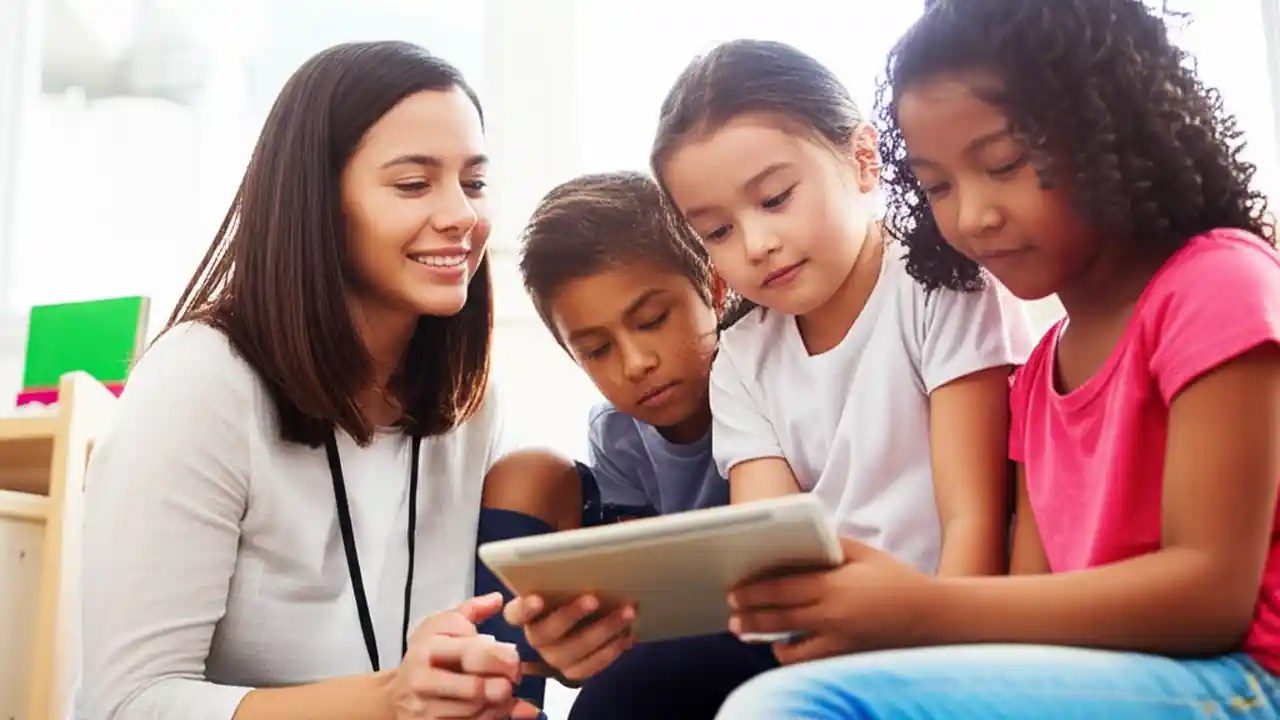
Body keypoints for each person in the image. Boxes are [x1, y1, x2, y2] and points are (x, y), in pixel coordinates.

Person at [716, 1, 1280, 716]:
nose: (972, 216)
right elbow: (1024, 614)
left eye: (1005, 164)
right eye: (938, 186)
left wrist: (923, 609)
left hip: (1244, 678)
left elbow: (1210, 598)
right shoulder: (1040, 374)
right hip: (1107, 680)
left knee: (791, 706)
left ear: (1110, 130)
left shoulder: (1217, 286)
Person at [77, 41, 564, 720]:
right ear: (319, 200)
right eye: (413, 184)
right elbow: (123, 703)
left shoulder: (466, 403)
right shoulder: (200, 383)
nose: (462, 215)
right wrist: (388, 700)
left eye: (474, 182)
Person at [650, 38, 1032, 657]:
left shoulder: (941, 287)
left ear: (861, 159)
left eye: (775, 199)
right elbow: (774, 551)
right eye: (717, 231)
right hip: (832, 632)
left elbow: (976, 520)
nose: (756, 243)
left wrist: (947, 651)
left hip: (954, 622)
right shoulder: (742, 360)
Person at [485, 172, 776, 719]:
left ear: (714, 287)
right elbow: (640, 587)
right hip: (690, 618)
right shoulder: (617, 433)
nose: (635, 363)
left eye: (652, 321)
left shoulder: (766, 368)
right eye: (596, 350)